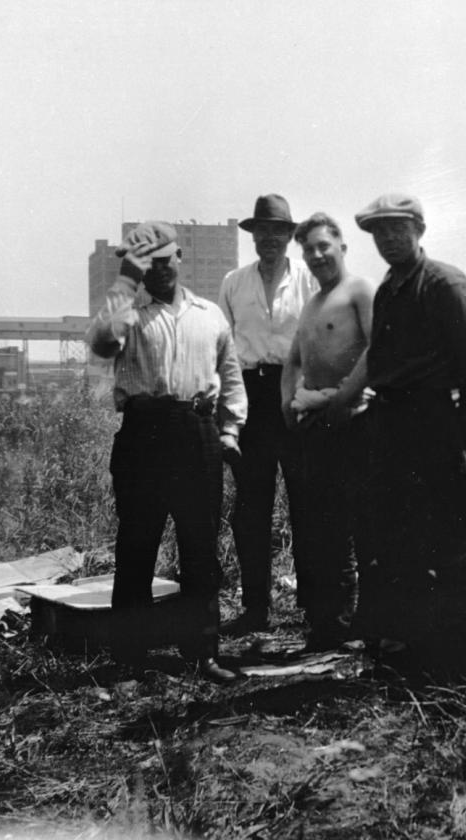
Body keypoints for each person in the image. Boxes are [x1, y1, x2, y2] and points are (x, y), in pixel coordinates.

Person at [328, 193, 466, 649]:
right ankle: (406, 648)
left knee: (443, 540)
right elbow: (379, 360)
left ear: (419, 229)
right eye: (379, 231)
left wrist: (456, 435)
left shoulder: (443, 284)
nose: (388, 239)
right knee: (395, 538)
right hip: (390, 422)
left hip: (432, 421)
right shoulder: (388, 288)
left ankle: (447, 657)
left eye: (398, 228)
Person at [86, 221, 245, 683]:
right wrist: (124, 280)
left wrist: (230, 432)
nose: (158, 271)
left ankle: (203, 651)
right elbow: (99, 344)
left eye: (163, 260)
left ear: (180, 258)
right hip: (143, 433)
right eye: (146, 264)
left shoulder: (209, 314)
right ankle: (130, 655)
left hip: (196, 433)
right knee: (138, 546)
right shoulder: (128, 313)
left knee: (200, 547)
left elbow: (230, 375)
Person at [217, 194, 317, 634]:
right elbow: (222, 351)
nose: (269, 239)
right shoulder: (233, 283)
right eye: (262, 231)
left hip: (294, 395)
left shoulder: (309, 281)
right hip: (251, 399)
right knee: (251, 508)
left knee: (308, 505)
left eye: (278, 230)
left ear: (290, 235)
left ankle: (315, 608)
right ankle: (256, 608)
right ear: (252, 235)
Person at [280, 212, 374, 651]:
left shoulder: (359, 290)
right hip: (317, 425)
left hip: (355, 419)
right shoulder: (313, 304)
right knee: (324, 528)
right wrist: (287, 402)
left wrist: (343, 399)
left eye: (324, 246)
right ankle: (329, 626)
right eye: (309, 250)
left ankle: (364, 627)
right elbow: (293, 360)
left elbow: (378, 348)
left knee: (363, 525)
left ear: (342, 247)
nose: (317, 256)